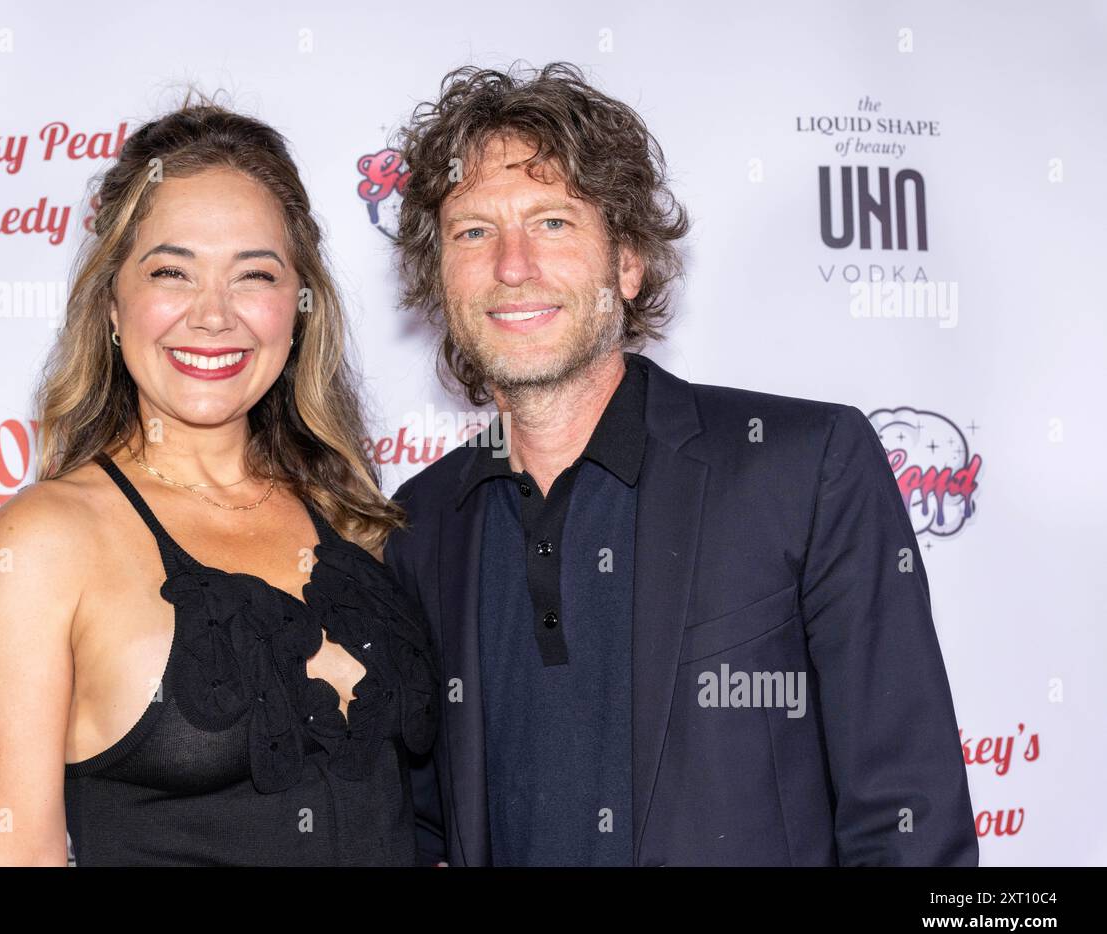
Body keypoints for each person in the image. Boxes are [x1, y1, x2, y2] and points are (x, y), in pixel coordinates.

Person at [384, 62, 978, 866]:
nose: (512, 264)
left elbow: (908, 816)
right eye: (473, 231)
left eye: (553, 222)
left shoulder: (804, 469)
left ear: (626, 263)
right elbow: (419, 827)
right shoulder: (420, 526)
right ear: (440, 277)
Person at [0, 97, 439, 866]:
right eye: (172, 272)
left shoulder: (350, 513)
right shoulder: (45, 545)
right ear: (113, 303)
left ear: (299, 308)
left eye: (255, 275)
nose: (214, 317)